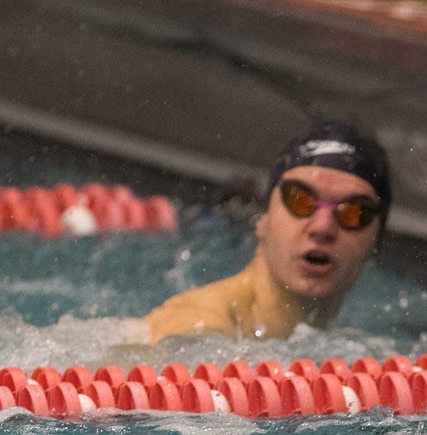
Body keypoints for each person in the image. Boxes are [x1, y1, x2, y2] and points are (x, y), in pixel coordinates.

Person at [145, 121, 392, 342]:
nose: (322, 227)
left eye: (353, 213)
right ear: (263, 222)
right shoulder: (200, 327)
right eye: (300, 201)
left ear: (375, 245)